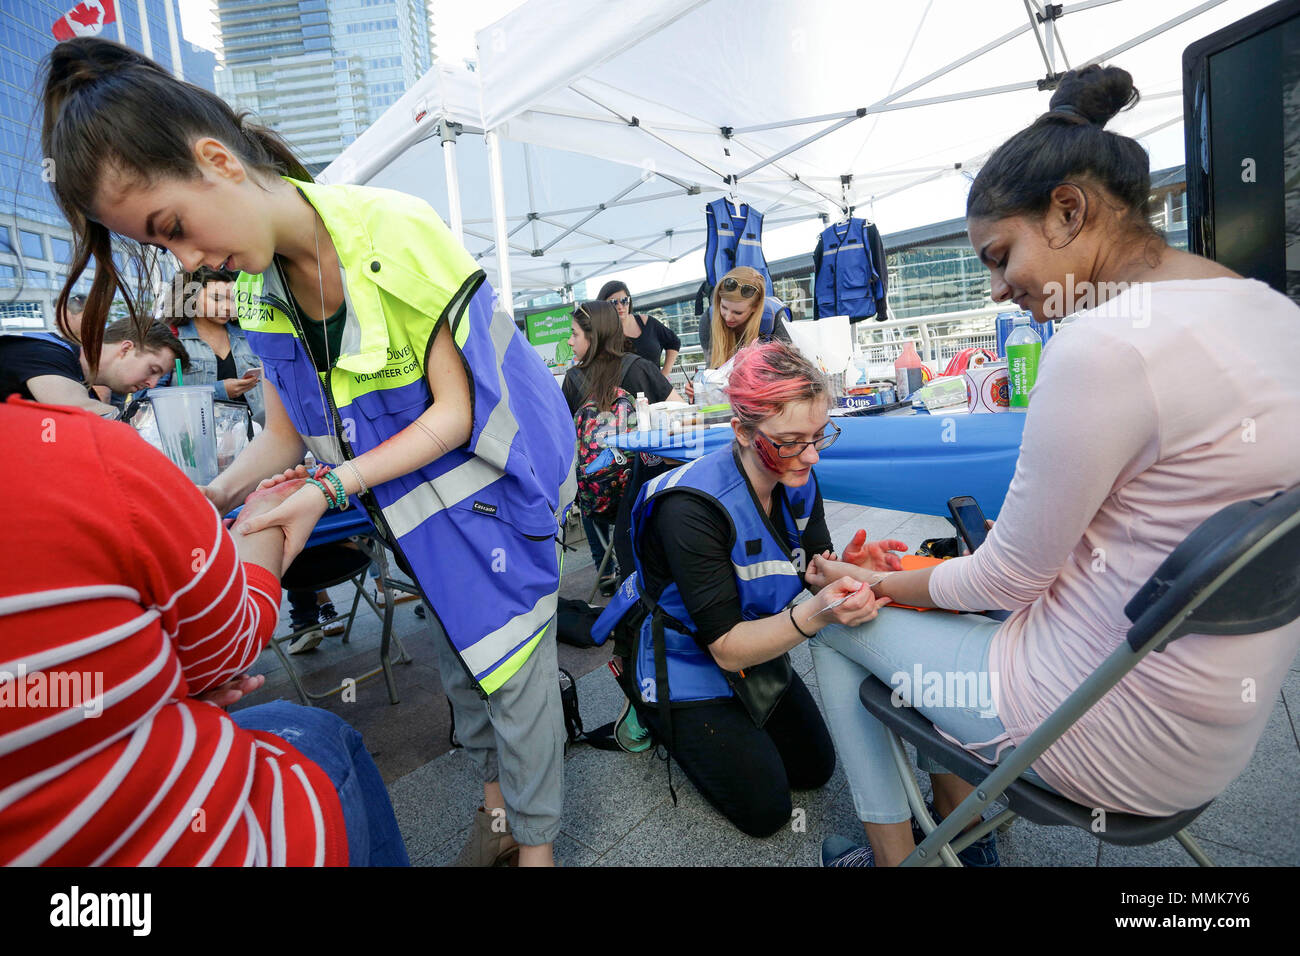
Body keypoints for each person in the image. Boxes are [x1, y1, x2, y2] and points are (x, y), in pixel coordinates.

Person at [42, 37, 576, 867]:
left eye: (174, 228)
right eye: (162, 248)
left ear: (215, 158)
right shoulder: (254, 287)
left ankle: (537, 851)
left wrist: (328, 490)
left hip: (509, 490)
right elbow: (287, 434)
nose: (187, 261)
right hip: (419, 515)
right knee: (467, 673)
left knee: (516, 678)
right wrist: (200, 503)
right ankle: (498, 818)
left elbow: (453, 414)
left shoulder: (391, 229)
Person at [810, 64, 1300, 867]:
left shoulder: (1103, 347)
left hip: (1107, 724)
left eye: (1001, 256)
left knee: (835, 621)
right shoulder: (1267, 310)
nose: (1000, 289)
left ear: (1069, 210)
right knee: (929, 602)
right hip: (1210, 727)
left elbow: (1004, 583)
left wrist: (878, 583)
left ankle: (901, 858)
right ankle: (963, 838)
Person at [0, 395, 408, 866]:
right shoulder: (81, 452)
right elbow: (233, 645)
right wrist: (263, 512)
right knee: (322, 733)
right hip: (188, 840)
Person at [607, 340, 899, 837]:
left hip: (755, 643)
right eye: (790, 440)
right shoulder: (692, 510)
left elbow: (809, 566)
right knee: (766, 814)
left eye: (818, 435)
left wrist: (843, 568)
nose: (810, 456)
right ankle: (649, 709)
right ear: (741, 430)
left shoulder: (795, 471)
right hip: (690, 657)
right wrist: (818, 615)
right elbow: (724, 648)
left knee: (814, 769)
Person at [562, 300, 682, 595]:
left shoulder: (573, 379)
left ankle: (607, 576)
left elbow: (564, 441)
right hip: (649, 492)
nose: (569, 341)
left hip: (599, 500)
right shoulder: (640, 368)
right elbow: (679, 417)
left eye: (575, 334)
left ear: (595, 336)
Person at [0, 314, 188, 417]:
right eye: (153, 370)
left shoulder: (81, 382)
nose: (152, 384)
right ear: (126, 348)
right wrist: (150, 424)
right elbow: (77, 409)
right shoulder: (44, 351)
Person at [157, 265, 266, 426]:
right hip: (195, 439)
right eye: (217, 298)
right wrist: (218, 391)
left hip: (255, 440)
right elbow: (147, 398)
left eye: (233, 298)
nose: (228, 307)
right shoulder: (169, 338)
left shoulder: (249, 335)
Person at [685, 265, 792, 402]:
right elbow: (713, 370)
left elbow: (788, 372)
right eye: (723, 308)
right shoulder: (708, 320)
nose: (728, 317)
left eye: (738, 312)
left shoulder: (774, 318)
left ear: (755, 307)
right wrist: (697, 386)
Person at [597, 279, 681, 378]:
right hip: (622, 392)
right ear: (602, 305)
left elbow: (674, 342)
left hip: (654, 389)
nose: (620, 306)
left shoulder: (647, 322)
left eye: (624, 301)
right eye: (613, 302)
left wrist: (664, 374)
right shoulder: (601, 332)